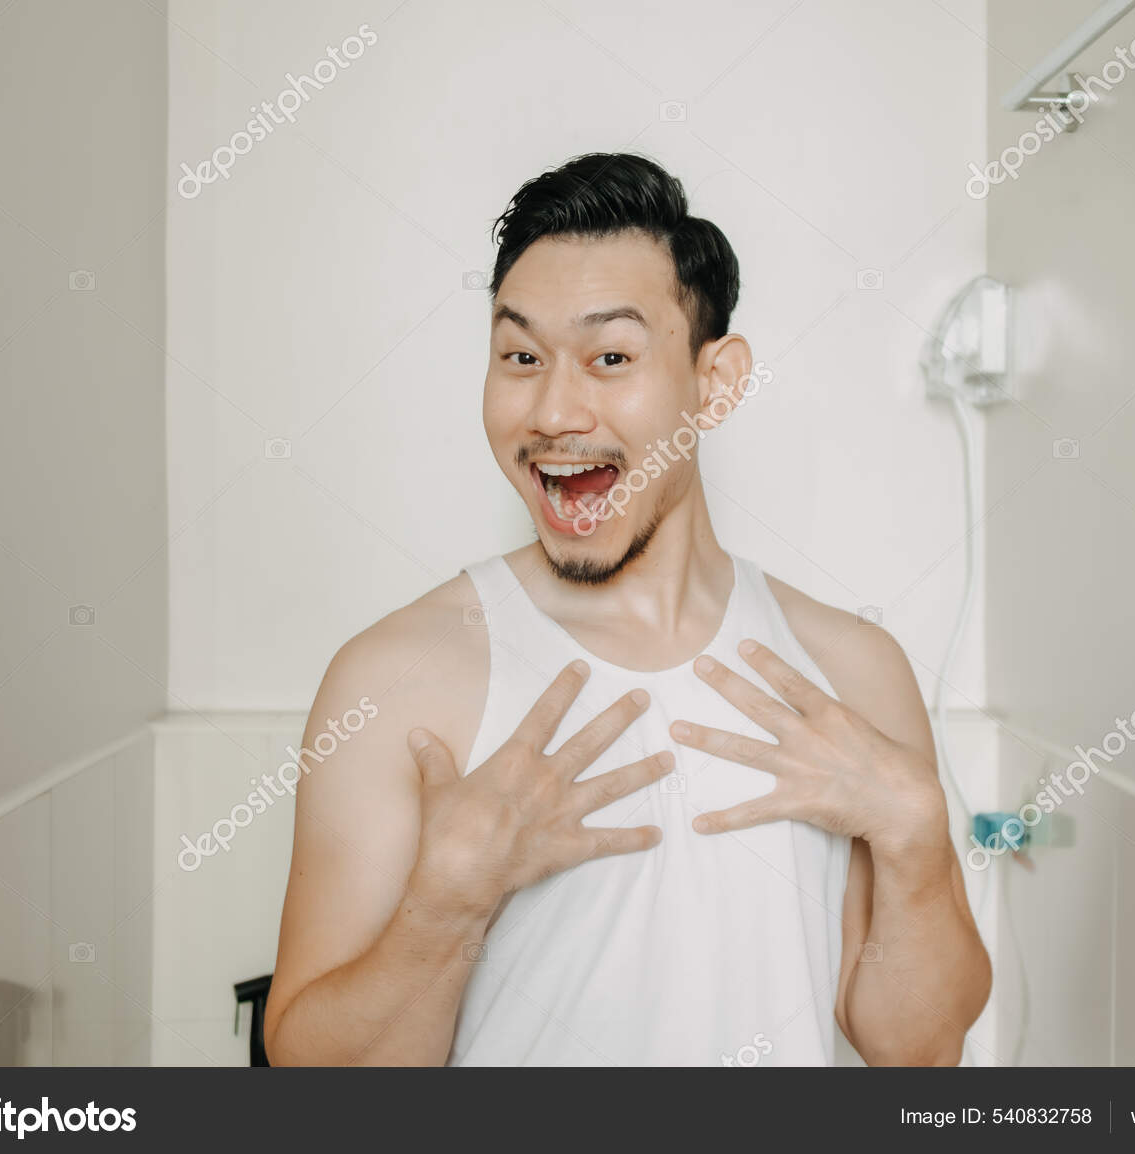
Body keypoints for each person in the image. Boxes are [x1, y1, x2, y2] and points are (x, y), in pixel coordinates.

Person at [265, 153, 990, 1066]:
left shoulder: (851, 669)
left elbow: (918, 1052)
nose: (556, 410)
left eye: (611, 357)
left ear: (715, 382)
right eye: (521, 357)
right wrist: (447, 901)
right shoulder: (395, 682)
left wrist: (916, 833)